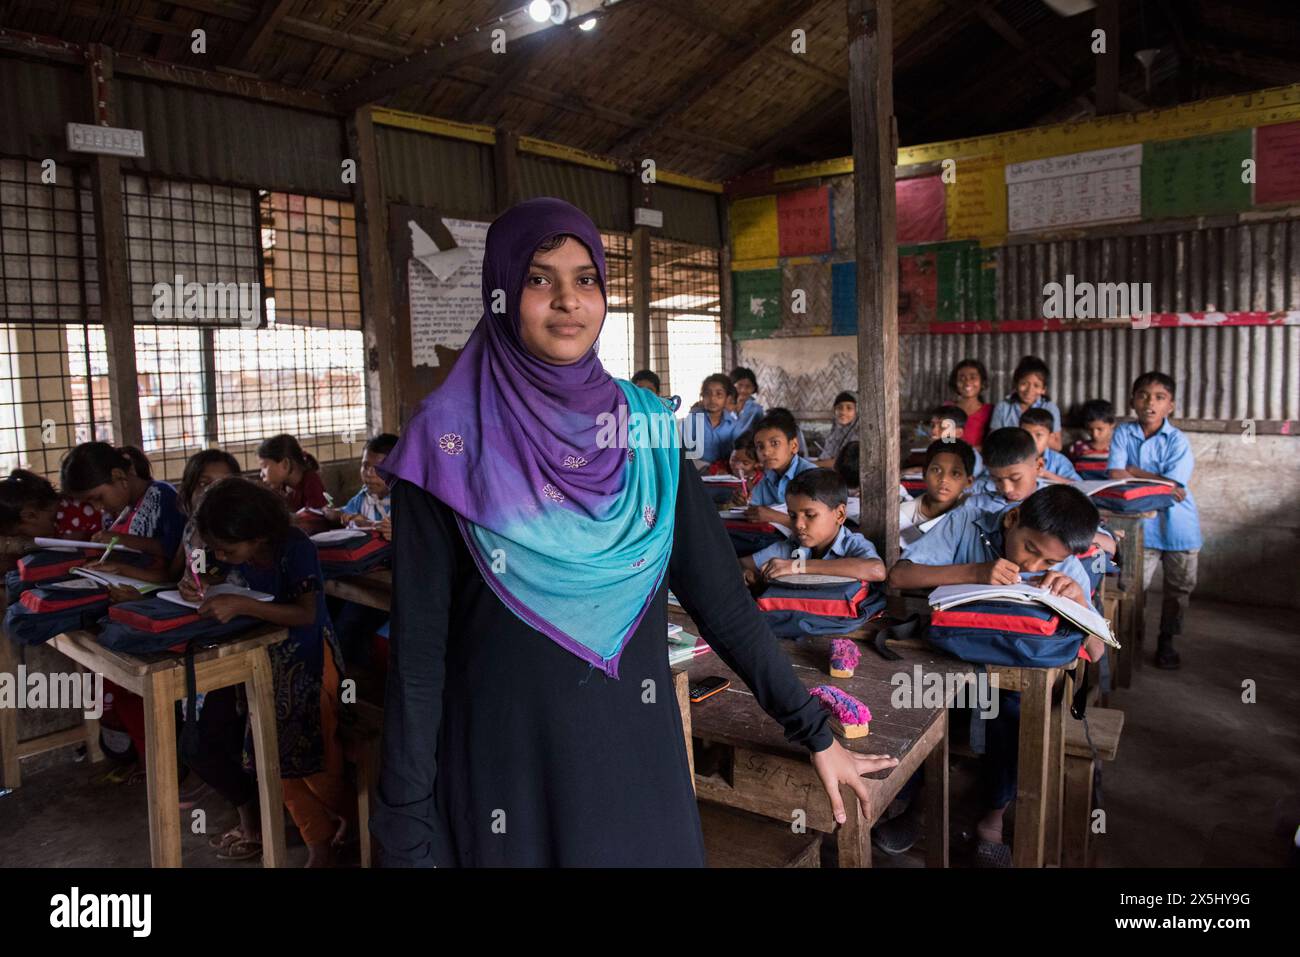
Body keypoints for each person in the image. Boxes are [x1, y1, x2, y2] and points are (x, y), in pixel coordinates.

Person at [371, 198, 895, 867]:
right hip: (508, 774)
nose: (568, 300)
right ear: (501, 290)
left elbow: (723, 603)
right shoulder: (444, 442)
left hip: (634, 762)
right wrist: (404, 834)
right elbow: (418, 662)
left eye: (585, 278)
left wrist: (814, 730)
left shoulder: (646, 431)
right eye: (538, 278)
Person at [888, 485, 1105, 866]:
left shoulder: (1065, 565)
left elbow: (1098, 649)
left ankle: (992, 818)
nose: (1034, 567)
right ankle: (918, 806)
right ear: (1012, 519)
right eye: (1030, 549)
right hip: (950, 658)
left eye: (1048, 563)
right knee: (916, 697)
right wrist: (974, 572)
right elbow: (899, 577)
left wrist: (1079, 602)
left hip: (1016, 678)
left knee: (1011, 713)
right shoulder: (965, 522)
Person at [190, 477, 351, 866]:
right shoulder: (242, 557)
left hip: (311, 665)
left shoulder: (294, 547)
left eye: (228, 549)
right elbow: (229, 583)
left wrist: (242, 606)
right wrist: (204, 588)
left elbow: (307, 613)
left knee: (316, 765)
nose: (223, 556)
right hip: (267, 667)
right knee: (275, 766)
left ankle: (362, 819)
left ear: (258, 533)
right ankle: (319, 846)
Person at [1107, 371, 1201, 669]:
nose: (1150, 402)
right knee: (1134, 587)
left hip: (1179, 527)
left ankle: (1167, 641)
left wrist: (1137, 473)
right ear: (1132, 400)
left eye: (1160, 398)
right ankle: (1132, 641)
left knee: (1178, 590)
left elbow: (1176, 488)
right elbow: (1114, 473)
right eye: (1143, 395)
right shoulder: (1123, 432)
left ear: (1170, 405)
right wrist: (1161, 482)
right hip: (1140, 525)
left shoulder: (1178, 440)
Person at [740, 469, 884, 587]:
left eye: (810, 515)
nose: (797, 525)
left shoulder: (852, 544)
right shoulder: (793, 545)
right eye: (792, 516)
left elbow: (877, 570)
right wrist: (749, 575)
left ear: (839, 514)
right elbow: (741, 564)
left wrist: (798, 567)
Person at [745, 409, 817, 531]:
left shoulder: (812, 476)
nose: (766, 452)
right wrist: (744, 501)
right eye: (760, 446)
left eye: (775, 443)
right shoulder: (767, 477)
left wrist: (776, 517)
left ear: (793, 446)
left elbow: (818, 527)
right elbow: (754, 508)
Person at [899, 439, 975, 550]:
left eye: (955, 473)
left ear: (968, 482)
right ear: (924, 474)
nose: (944, 479)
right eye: (936, 470)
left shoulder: (972, 516)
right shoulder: (901, 514)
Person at [328, 433, 397, 540]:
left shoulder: (408, 501)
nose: (369, 474)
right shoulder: (363, 497)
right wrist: (344, 517)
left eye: (379, 469)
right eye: (365, 466)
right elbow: (345, 513)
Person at [988, 355, 1062, 448]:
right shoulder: (1003, 407)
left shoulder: (1050, 408)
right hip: (1009, 458)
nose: (1029, 390)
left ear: (1044, 389)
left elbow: (1057, 446)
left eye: (1036, 385)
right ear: (1016, 384)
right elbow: (992, 441)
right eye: (1024, 383)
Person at [258, 434, 327, 511]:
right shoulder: (281, 487)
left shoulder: (311, 482)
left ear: (285, 464)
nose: (261, 474)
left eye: (264, 466)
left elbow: (316, 517)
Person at [686, 373, 737, 467]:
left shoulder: (732, 424)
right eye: (708, 394)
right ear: (702, 397)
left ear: (727, 398)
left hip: (723, 470)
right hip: (694, 468)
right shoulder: (694, 417)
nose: (712, 399)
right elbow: (684, 450)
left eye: (719, 394)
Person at [1019, 408, 1080, 482]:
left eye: (1039, 435)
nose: (1032, 440)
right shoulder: (1012, 457)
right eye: (1026, 434)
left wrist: (1046, 474)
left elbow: (1078, 485)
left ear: (1050, 437)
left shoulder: (1059, 461)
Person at [948, 358, 994, 448]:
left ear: (982, 382)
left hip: (979, 459)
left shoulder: (990, 410)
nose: (967, 382)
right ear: (955, 383)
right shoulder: (948, 408)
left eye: (973, 377)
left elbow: (991, 443)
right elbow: (946, 440)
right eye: (962, 378)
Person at [815, 391, 858, 467]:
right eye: (839, 407)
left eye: (849, 408)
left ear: (857, 411)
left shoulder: (858, 434)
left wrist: (813, 464)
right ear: (834, 410)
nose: (843, 412)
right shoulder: (835, 432)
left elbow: (843, 463)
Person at [729, 366, 764, 435]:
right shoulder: (723, 408)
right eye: (739, 385)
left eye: (748, 386)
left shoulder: (757, 410)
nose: (743, 390)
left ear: (753, 388)